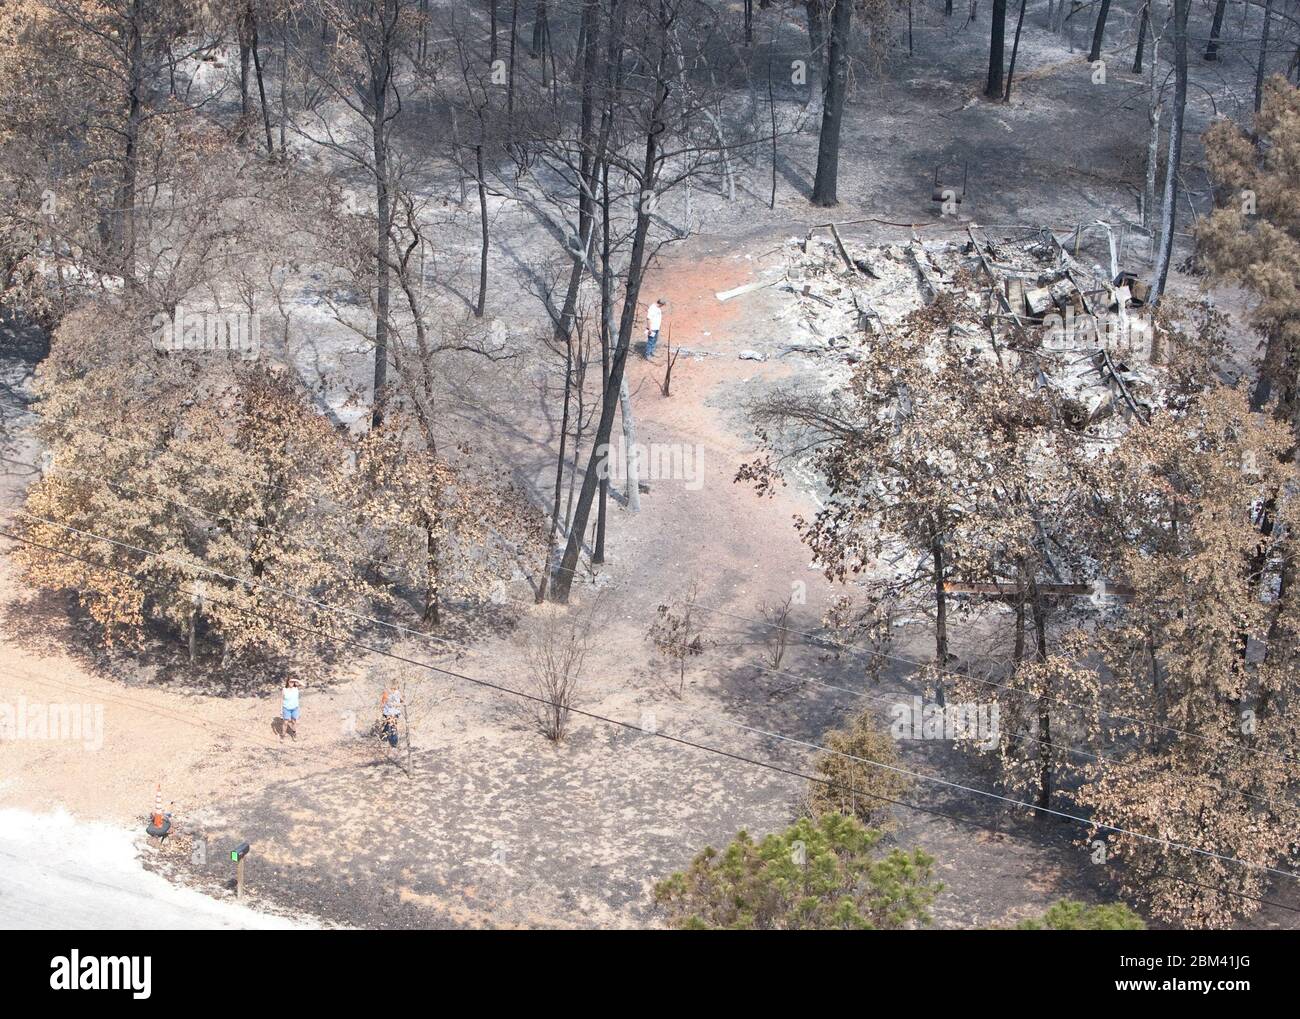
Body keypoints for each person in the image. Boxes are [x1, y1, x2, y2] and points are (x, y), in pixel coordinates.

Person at [379, 683, 403, 747]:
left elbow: (401, 701)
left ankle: (393, 743)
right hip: (390, 713)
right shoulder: (389, 693)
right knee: (389, 727)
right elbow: (383, 703)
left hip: (392, 713)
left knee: (392, 728)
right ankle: (387, 741)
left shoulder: (396, 693)